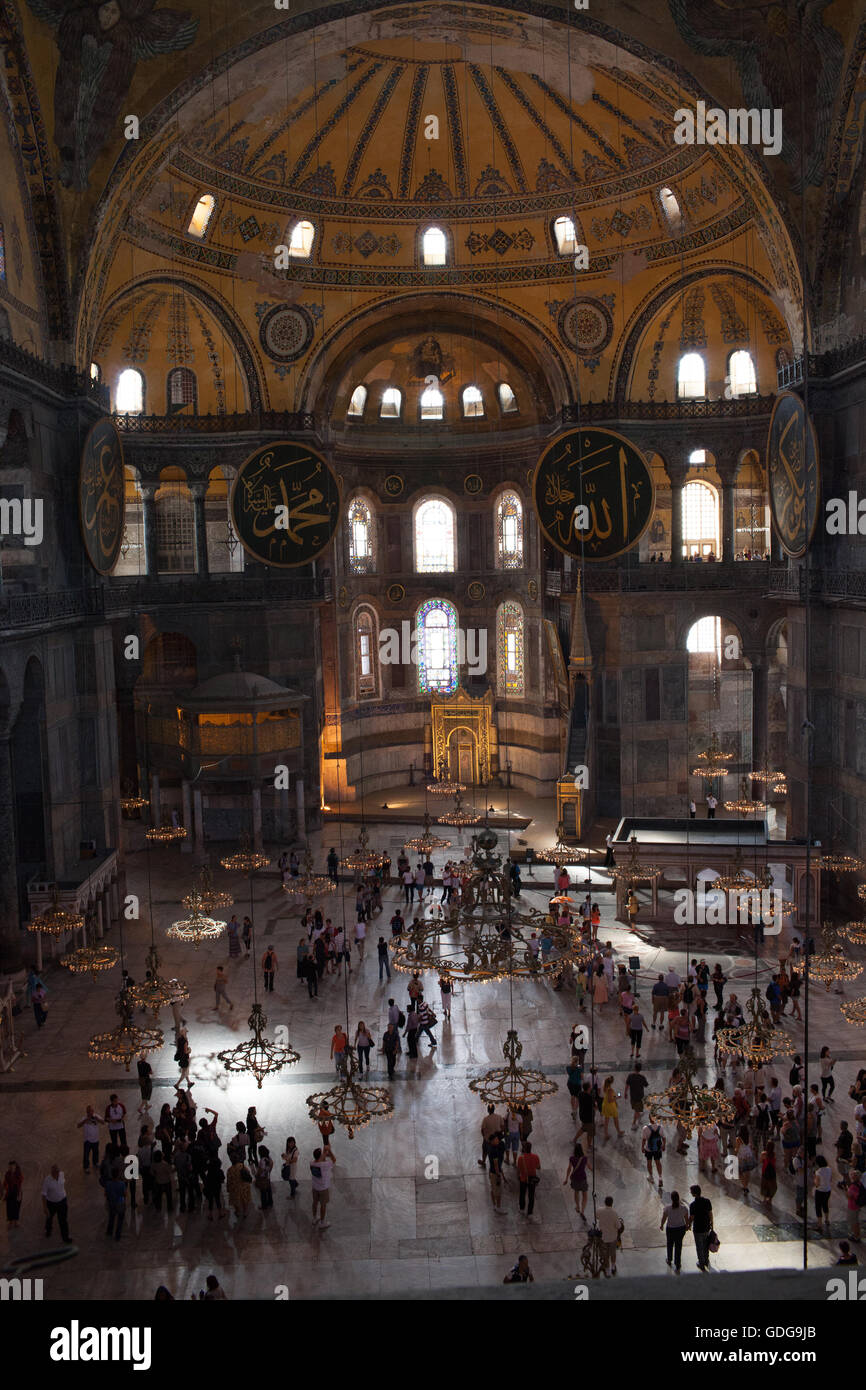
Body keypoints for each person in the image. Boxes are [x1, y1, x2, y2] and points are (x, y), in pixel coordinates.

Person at [660, 1190, 689, 1272]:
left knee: (670, 1244)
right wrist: (687, 1226)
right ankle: (678, 1264)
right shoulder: (684, 1208)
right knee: (678, 1246)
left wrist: (661, 1225)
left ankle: (669, 1260)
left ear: (671, 1199)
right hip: (680, 1229)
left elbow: (664, 1218)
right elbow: (686, 1220)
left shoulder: (667, 1208)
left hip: (670, 1229)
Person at [42, 1165, 71, 1243]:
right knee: (49, 1218)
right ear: (52, 1172)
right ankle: (48, 1230)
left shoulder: (62, 1174)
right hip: (51, 1203)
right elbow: (44, 1195)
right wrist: (45, 1208)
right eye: (54, 1172)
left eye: (57, 1172)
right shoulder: (47, 1180)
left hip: (62, 1202)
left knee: (63, 1220)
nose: (56, 1174)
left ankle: (66, 1237)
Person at [597, 1195, 623, 1276]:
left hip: (603, 1237)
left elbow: (597, 1217)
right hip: (612, 1237)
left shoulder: (600, 1210)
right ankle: (613, 1266)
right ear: (612, 1203)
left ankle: (607, 1270)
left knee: (605, 1255)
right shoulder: (614, 1213)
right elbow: (619, 1226)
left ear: (605, 1202)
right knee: (612, 1253)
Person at [689, 1185, 714, 1271]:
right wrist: (712, 1224)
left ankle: (701, 1263)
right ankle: (706, 1261)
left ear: (693, 1194)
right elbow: (710, 1214)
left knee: (699, 1247)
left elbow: (691, 1217)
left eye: (691, 1191)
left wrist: (688, 1225)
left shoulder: (692, 1205)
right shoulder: (707, 1201)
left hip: (697, 1229)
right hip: (706, 1227)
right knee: (706, 1245)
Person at [310, 1145, 335, 1229]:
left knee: (315, 1202)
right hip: (323, 1188)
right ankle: (322, 1222)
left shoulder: (312, 1163)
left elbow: (319, 1161)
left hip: (315, 1187)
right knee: (323, 1205)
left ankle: (314, 1218)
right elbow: (334, 1160)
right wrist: (329, 1151)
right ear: (321, 1156)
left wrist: (324, 1153)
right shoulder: (325, 1165)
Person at [564, 1142, 590, 1219]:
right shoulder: (584, 1158)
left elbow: (569, 1168)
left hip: (575, 1178)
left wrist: (566, 1178)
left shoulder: (572, 1158)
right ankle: (582, 1211)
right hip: (583, 1178)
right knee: (585, 1195)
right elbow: (589, 1167)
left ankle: (577, 1206)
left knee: (576, 1192)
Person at [77, 1105, 105, 1172]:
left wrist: (97, 1119)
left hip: (96, 1139)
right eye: (89, 1111)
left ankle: (95, 1163)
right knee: (86, 1154)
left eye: (92, 1111)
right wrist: (85, 1120)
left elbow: (103, 1122)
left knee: (96, 1152)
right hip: (87, 1140)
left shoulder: (96, 1116)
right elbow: (78, 1125)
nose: (91, 1112)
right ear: (87, 1112)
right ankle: (86, 1167)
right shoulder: (84, 1118)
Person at [516, 1141, 541, 1217]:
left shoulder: (520, 1158)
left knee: (522, 1194)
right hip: (532, 1179)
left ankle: (522, 1209)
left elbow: (519, 1169)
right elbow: (538, 1167)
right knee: (531, 1196)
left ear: (524, 1149)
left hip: (523, 1179)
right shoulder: (536, 1157)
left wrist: (518, 1176)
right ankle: (530, 1212)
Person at [624, 1062, 648, 1130]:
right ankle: (633, 1124)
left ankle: (638, 1116)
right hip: (639, 1097)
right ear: (640, 1069)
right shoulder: (642, 1077)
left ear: (634, 1068)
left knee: (636, 1109)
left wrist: (625, 1093)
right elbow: (646, 1085)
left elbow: (627, 1085)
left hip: (632, 1096)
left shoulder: (630, 1076)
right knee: (636, 1110)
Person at [643, 1118, 665, 1187]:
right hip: (658, 1149)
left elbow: (644, 1139)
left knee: (649, 1162)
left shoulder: (645, 1128)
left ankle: (651, 1177)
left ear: (649, 1119)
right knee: (658, 1162)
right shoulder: (660, 1127)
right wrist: (664, 1146)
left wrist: (642, 1147)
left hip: (649, 1149)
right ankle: (660, 1178)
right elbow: (664, 1138)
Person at [735, 1126, 756, 1198]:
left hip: (741, 1157)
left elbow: (737, 1149)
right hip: (749, 1156)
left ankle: (745, 1186)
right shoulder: (749, 1136)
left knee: (739, 1172)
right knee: (747, 1172)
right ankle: (745, 1186)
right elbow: (751, 1145)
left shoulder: (738, 1139)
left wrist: (735, 1152)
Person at [814, 1154, 833, 1234]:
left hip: (820, 1191)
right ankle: (827, 1220)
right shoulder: (829, 1169)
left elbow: (817, 1184)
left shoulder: (818, 1172)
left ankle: (819, 1225)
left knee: (818, 1207)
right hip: (828, 1190)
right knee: (825, 1204)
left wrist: (814, 1180)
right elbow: (831, 1179)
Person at [487, 1132, 505, 1212]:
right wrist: (498, 1174)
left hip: (491, 1171)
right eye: (496, 1139)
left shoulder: (491, 1148)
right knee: (498, 1191)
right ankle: (498, 1207)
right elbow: (496, 1164)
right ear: (492, 1141)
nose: (498, 1140)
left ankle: (494, 1205)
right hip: (495, 1173)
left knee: (493, 1189)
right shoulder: (494, 1150)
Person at [3, 1161, 22, 1227]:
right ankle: (10, 1222)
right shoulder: (7, 1174)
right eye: (10, 1166)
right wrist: (4, 1189)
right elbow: (5, 1183)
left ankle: (16, 1221)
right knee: (9, 1207)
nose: (11, 1168)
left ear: (15, 1166)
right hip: (9, 1193)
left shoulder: (18, 1174)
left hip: (17, 1192)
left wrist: (19, 1194)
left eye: (12, 1166)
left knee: (16, 1207)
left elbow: (20, 1184)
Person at [760, 1139, 778, 1206]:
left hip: (765, 1171)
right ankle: (770, 1200)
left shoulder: (763, 1154)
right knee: (772, 1186)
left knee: (764, 1185)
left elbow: (761, 1161)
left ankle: (764, 1199)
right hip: (772, 1172)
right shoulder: (774, 1154)